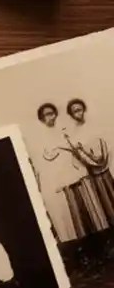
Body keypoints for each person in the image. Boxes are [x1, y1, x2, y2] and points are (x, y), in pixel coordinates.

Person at [60, 98, 113, 239]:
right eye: (74, 112)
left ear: (84, 109)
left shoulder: (94, 126)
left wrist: (100, 159)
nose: (78, 113)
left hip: (106, 169)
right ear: (71, 115)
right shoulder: (74, 134)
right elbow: (79, 155)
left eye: (79, 109)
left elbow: (104, 146)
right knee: (104, 206)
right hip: (94, 175)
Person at [36, 101, 83, 242]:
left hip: (71, 179)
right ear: (42, 118)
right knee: (65, 218)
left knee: (79, 215)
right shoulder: (41, 137)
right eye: (47, 115)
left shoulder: (63, 131)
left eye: (52, 114)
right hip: (56, 184)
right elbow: (47, 158)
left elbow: (74, 150)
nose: (50, 117)